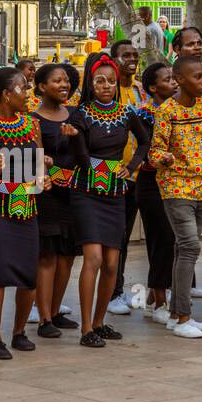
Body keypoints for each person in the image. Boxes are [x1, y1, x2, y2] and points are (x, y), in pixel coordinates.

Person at [69, 51, 151, 347]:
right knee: (94, 258)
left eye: (111, 81)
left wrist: (131, 167)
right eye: (99, 81)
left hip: (115, 193)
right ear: (90, 84)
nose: (106, 86)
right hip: (87, 192)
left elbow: (144, 141)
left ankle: (101, 321)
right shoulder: (81, 114)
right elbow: (79, 158)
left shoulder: (127, 113)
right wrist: (74, 136)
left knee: (113, 263)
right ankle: (85, 327)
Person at [0, 67, 48, 359]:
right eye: (22, 88)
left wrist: (44, 177)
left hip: (26, 204)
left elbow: (40, 160)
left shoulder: (31, 125)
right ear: (5, 94)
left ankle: (19, 332)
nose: (27, 94)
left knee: (29, 274)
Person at [149, 56, 202, 338]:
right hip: (176, 188)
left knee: (183, 249)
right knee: (190, 247)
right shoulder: (167, 111)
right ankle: (182, 318)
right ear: (179, 80)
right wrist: (164, 158)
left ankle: (176, 313)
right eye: (197, 77)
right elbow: (154, 152)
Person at [33, 62, 82, 338]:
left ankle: (54, 310)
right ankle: (43, 319)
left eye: (65, 81)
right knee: (48, 256)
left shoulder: (75, 114)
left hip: (74, 193)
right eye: (56, 81)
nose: (63, 86)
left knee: (67, 257)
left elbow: (83, 150)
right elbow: (36, 157)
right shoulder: (33, 119)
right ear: (41, 87)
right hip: (48, 194)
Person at [109, 39, 150, 317]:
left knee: (123, 236)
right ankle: (111, 293)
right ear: (113, 60)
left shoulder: (139, 92)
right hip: (109, 175)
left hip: (135, 174)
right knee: (113, 238)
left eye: (135, 55)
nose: (131, 60)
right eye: (125, 55)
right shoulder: (107, 92)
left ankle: (118, 289)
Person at [135, 62, 178, 325]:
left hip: (175, 181)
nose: (174, 82)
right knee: (159, 240)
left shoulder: (179, 111)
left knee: (172, 240)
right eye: (168, 79)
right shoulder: (144, 114)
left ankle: (154, 296)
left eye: (175, 78)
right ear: (152, 87)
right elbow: (145, 150)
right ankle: (159, 298)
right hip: (151, 182)